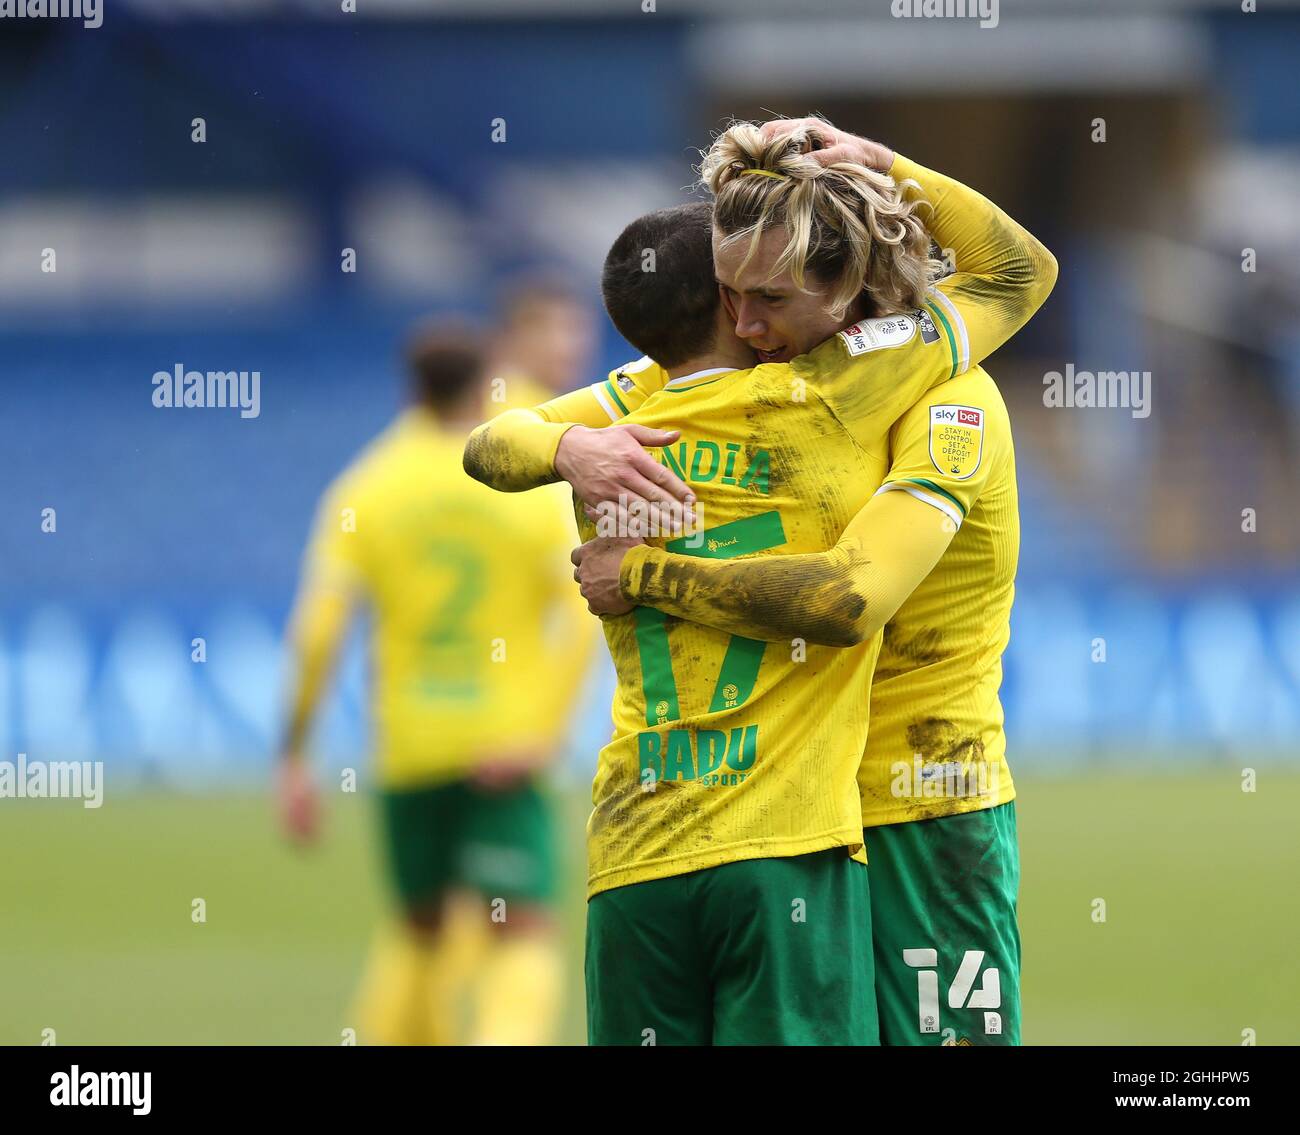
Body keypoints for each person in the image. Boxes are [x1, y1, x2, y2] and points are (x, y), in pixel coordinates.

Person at [465, 120, 1055, 1044]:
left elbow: (850, 599)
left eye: (769, 298)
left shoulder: (941, 389)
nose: (742, 324)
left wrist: (887, 163)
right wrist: (572, 445)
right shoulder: (735, 380)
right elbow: (497, 440)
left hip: (922, 798)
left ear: (846, 283)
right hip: (809, 815)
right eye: (729, 295)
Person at [277, 323, 590, 1045]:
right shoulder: (522, 479)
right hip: (503, 739)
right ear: (486, 386)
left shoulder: (368, 484)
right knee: (521, 929)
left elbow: (319, 630)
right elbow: (577, 614)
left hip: (410, 744)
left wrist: (293, 752)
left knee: (419, 932)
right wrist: (542, 732)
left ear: (408, 388)